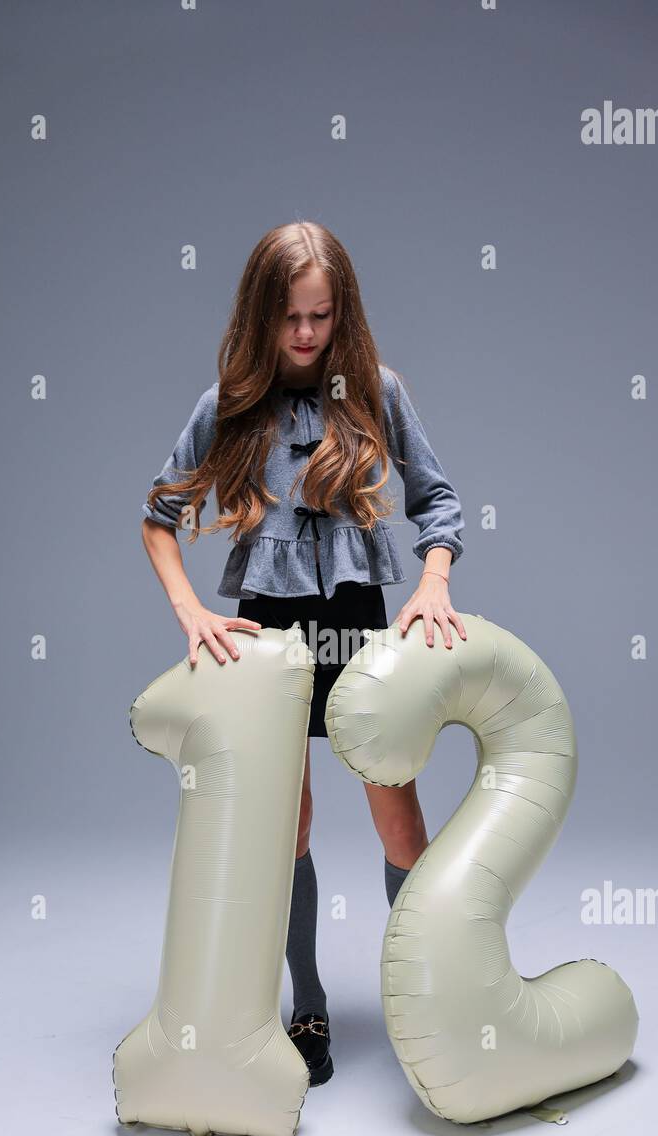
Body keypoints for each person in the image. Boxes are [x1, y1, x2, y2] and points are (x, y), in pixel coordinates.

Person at [141, 221, 467, 1085]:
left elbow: (438, 499)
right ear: (261, 313)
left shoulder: (375, 391)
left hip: (359, 625)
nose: (306, 335)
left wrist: (434, 581)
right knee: (289, 823)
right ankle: (309, 1004)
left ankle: (423, 994)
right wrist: (189, 614)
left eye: (322, 315)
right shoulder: (232, 402)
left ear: (341, 312)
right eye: (290, 317)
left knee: (398, 816)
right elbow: (158, 517)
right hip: (269, 635)